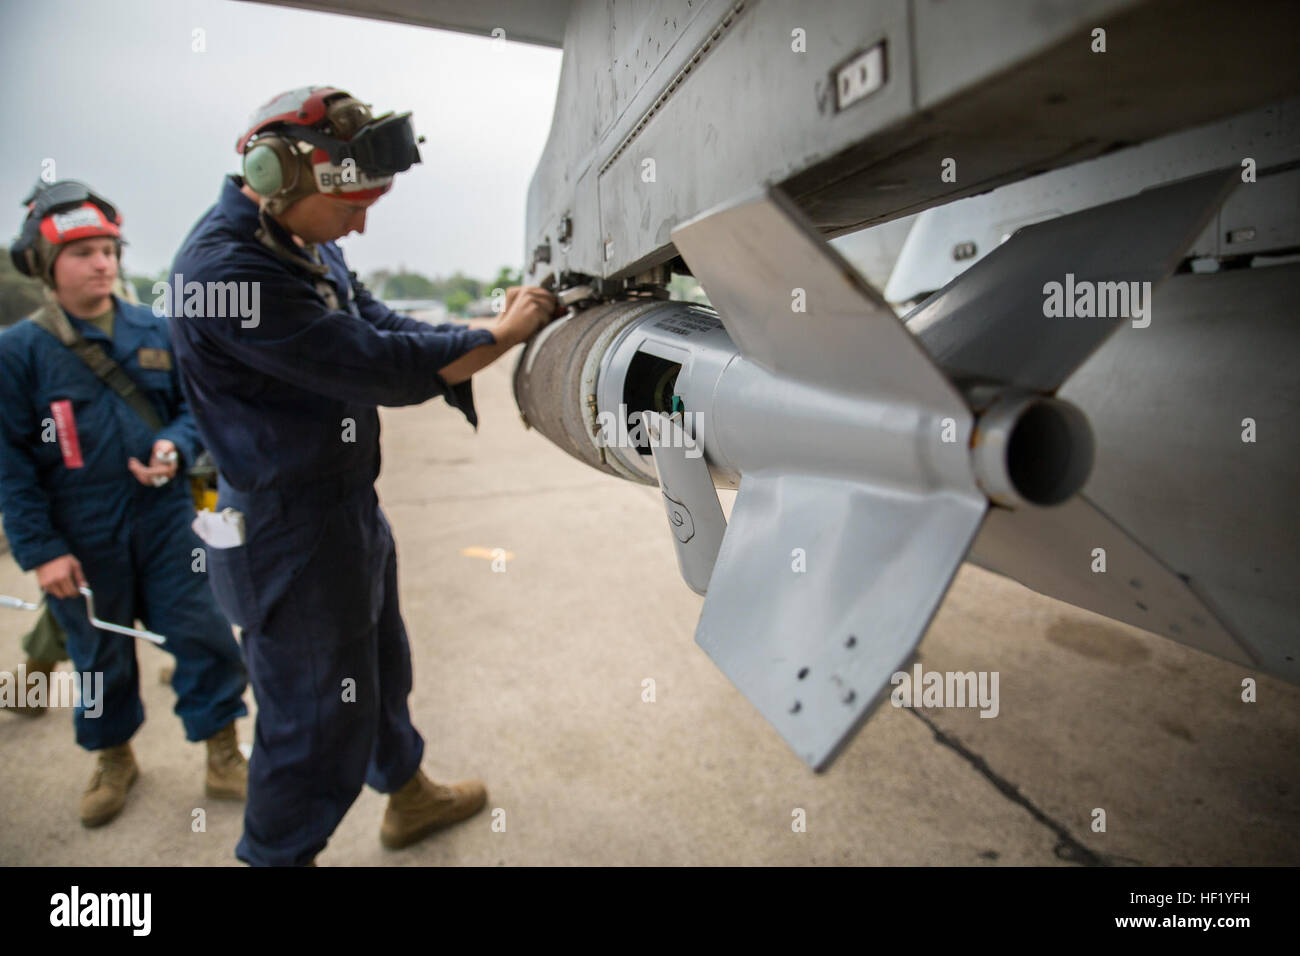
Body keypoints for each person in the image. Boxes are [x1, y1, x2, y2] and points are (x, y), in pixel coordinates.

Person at [168, 86, 558, 866]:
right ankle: (274, 857)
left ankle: (406, 795)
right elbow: (375, 364)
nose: (362, 221)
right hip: (285, 530)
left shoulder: (299, 240)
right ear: (277, 175)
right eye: (352, 205)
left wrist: (475, 330)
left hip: (343, 509)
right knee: (309, 721)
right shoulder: (225, 274)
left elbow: (377, 321)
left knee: (380, 668)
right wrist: (504, 332)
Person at [0, 181, 250, 826]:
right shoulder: (19, 353)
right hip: (78, 531)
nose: (103, 263)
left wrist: (172, 443)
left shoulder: (156, 329)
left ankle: (223, 750)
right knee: (97, 654)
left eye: (110, 249)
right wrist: (42, 551)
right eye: (83, 252)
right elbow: (12, 464)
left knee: (202, 633)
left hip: (164, 519)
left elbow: (195, 411)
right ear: (43, 265)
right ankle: (114, 757)